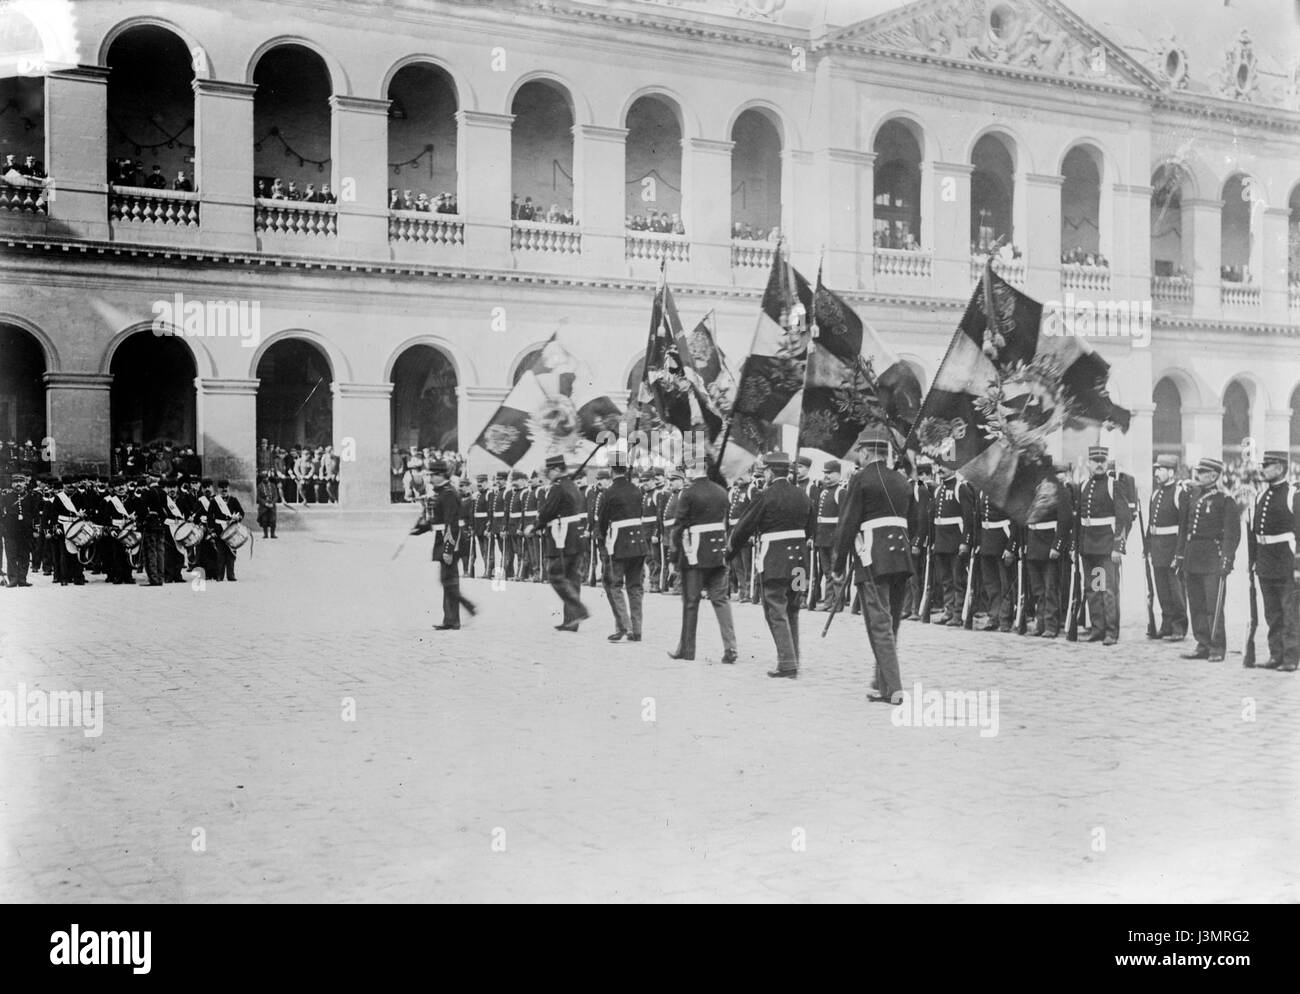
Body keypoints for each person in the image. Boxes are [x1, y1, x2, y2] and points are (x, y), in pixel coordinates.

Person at [831, 426, 913, 703]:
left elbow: (847, 524)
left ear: (866, 452)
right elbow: (914, 521)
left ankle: (895, 687)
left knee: (879, 624)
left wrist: (837, 565)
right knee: (891, 623)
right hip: (901, 556)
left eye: (860, 453)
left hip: (873, 557)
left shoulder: (861, 479)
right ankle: (883, 683)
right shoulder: (902, 481)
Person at [727, 451, 810, 679]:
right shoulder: (802, 495)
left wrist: (729, 553)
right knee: (793, 608)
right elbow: (810, 528)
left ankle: (787, 663)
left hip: (774, 561)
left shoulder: (764, 496)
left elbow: (743, 528)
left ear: (771, 472)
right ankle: (793, 659)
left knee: (775, 610)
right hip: (801, 563)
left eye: (764, 471)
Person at [667, 458, 737, 663]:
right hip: (717, 552)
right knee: (721, 600)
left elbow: (678, 527)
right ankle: (730, 647)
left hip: (694, 555)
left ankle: (687, 650)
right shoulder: (721, 492)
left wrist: (673, 556)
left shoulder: (688, 493)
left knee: (691, 602)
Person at [1175, 457, 1239, 662]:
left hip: (1213, 557)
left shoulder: (1225, 499)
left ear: (1213, 475)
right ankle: (1202, 643)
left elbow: (1232, 534)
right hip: (1193, 557)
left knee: (1213, 605)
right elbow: (1184, 529)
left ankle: (1217, 647)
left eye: (1202, 472)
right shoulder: (1193, 496)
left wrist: (1227, 560)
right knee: (1196, 604)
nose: (1198, 475)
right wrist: (1180, 555)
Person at [1248, 450, 1299, 671]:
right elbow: (1254, 531)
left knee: (1290, 611)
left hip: (1286, 560)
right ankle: (1275, 654)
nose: (1263, 469)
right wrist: (1253, 561)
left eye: (1267, 465)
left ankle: (1290, 657)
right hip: (1266, 561)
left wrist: (1298, 565)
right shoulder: (1260, 495)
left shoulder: (1293, 495)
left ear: (1279, 468)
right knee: (1272, 612)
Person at [1076, 446, 1131, 645]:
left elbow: (1124, 518)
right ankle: (1097, 628)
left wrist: (1118, 546)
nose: (1099, 464)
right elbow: (1079, 520)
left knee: (1108, 590)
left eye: (1102, 461)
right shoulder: (1083, 485)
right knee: (1093, 588)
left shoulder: (1113, 485)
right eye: (1095, 461)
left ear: (1106, 463)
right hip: (1089, 547)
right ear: (1089, 464)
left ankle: (1111, 631)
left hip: (1107, 547)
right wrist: (1078, 547)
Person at [528, 454, 589, 632]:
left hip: (562, 538)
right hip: (575, 538)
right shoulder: (572, 486)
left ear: (556, 470)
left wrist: (534, 526)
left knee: (555, 575)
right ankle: (572, 621)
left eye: (548, 471)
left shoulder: (558, 488)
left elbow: (548, 511)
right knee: (572, 578)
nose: (547, 474)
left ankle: (578, 610)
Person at [413, 459, 475, 630]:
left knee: (448, 580)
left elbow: (451, 524)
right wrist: (420, 529)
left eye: (432, 475)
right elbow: (437, 520)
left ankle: (458, 615)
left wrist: (448, 549)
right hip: (444, 540)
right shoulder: (442, 492)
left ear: (441, 475)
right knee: (447, 580)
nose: (429, 479)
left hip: (450, 542)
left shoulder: (448, 493)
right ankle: (452, 617)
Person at [597, 462, 648, 642]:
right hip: (639, 543)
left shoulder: (608, 493)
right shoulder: (636, 490)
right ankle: (637, 629)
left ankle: (624, 626)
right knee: (635, 586)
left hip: (619, 543)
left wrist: (602, 539)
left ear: (611, 471)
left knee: (614, 584)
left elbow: (602, 522)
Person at [1024, 466, 1072, 638]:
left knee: (1050, 587)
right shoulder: (1033, 491)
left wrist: (1057, 546)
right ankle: (1040, 623)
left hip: (1048, 544)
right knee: (1038, 590)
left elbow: (1065, 520)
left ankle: (1051, 625)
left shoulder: (1060, 492)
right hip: (1033, 543)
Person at [1148, 454, 1189, 641]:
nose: (1157, 473)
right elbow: (1150, 524)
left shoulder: (1179, 493)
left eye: (1161, 469)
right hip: (1157, 548)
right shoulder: (1156, 493)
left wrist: (1179, 554)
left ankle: (1179, 627)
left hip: (1172, 548)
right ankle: (1166, 624)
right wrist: (1146, 547)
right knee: (1162, 589)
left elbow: (1184, 526)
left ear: (1171, 472)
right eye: (1156, 469)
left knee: (1176, 590)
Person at [931, 461, 975, 625]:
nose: (940, 469)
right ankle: (948, 611)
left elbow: (968, 517)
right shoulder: (938, 490)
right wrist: (935, 541)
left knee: (958, 580)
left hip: (956, 541)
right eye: (938, 465)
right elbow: (936, 518)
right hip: (942, 540)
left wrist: (965, 542)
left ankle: (958, 613)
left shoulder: (960, 487)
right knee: (946, 580)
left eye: (944, 466)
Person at [975, 491, 1017, 632]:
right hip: (987, 539)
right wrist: (979, 542)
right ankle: (994, 616)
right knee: (991, 582)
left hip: (1003, 537)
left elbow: (1016, 519)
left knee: (1006, 582)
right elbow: (978, 518)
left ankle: (1005, 618)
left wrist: (1011, 547)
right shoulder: (982, 490)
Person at [810, 460, 843, 610]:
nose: (826, 476)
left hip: (834, 537)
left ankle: (838, 602)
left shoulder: (840, 491)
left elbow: (844, 517)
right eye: (825, 473)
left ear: (838, 473)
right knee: (827, 571)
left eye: (829, 473)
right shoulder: (823, 491)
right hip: (822, 537)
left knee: (837, 570)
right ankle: (829, 602)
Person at [256, 470, 278, 539]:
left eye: (266, 477)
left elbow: (276, 496)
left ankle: (272, 534)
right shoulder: (259, 486)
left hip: (272, 506)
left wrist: (272, 503)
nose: (265, 479)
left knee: (273, 520)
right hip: (263, 506)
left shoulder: (273, 485)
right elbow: (258, 497)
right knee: (264, 520)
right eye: (263, 478)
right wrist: (265, 503)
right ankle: (265, 534)